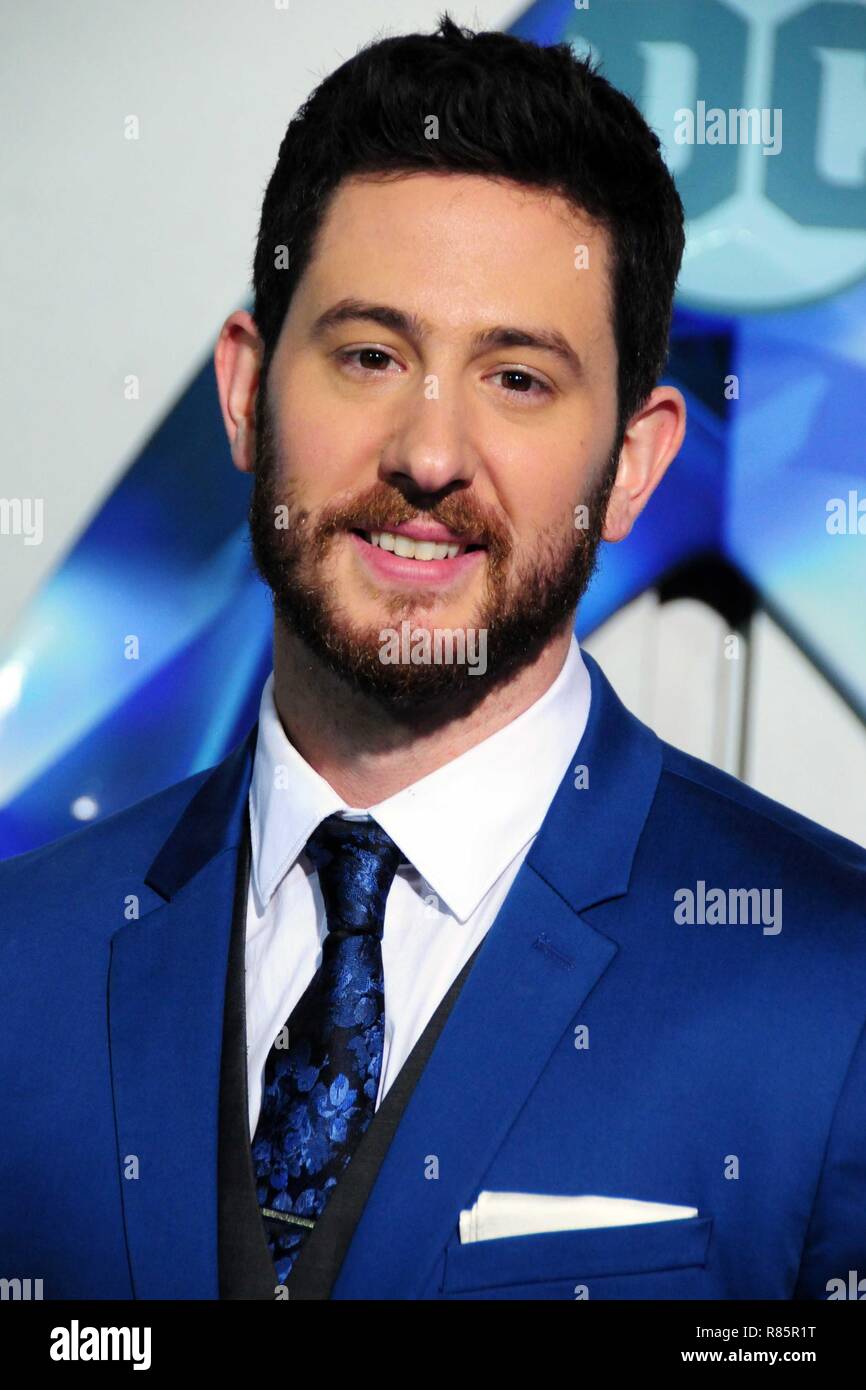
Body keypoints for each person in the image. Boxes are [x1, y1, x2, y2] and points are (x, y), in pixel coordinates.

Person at [2, 14, 865, 1302]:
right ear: (246, 393)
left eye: (518, 378)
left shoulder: (838, 992)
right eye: (369, 355)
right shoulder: (23, 961)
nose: (429, 452)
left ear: (631, 465)